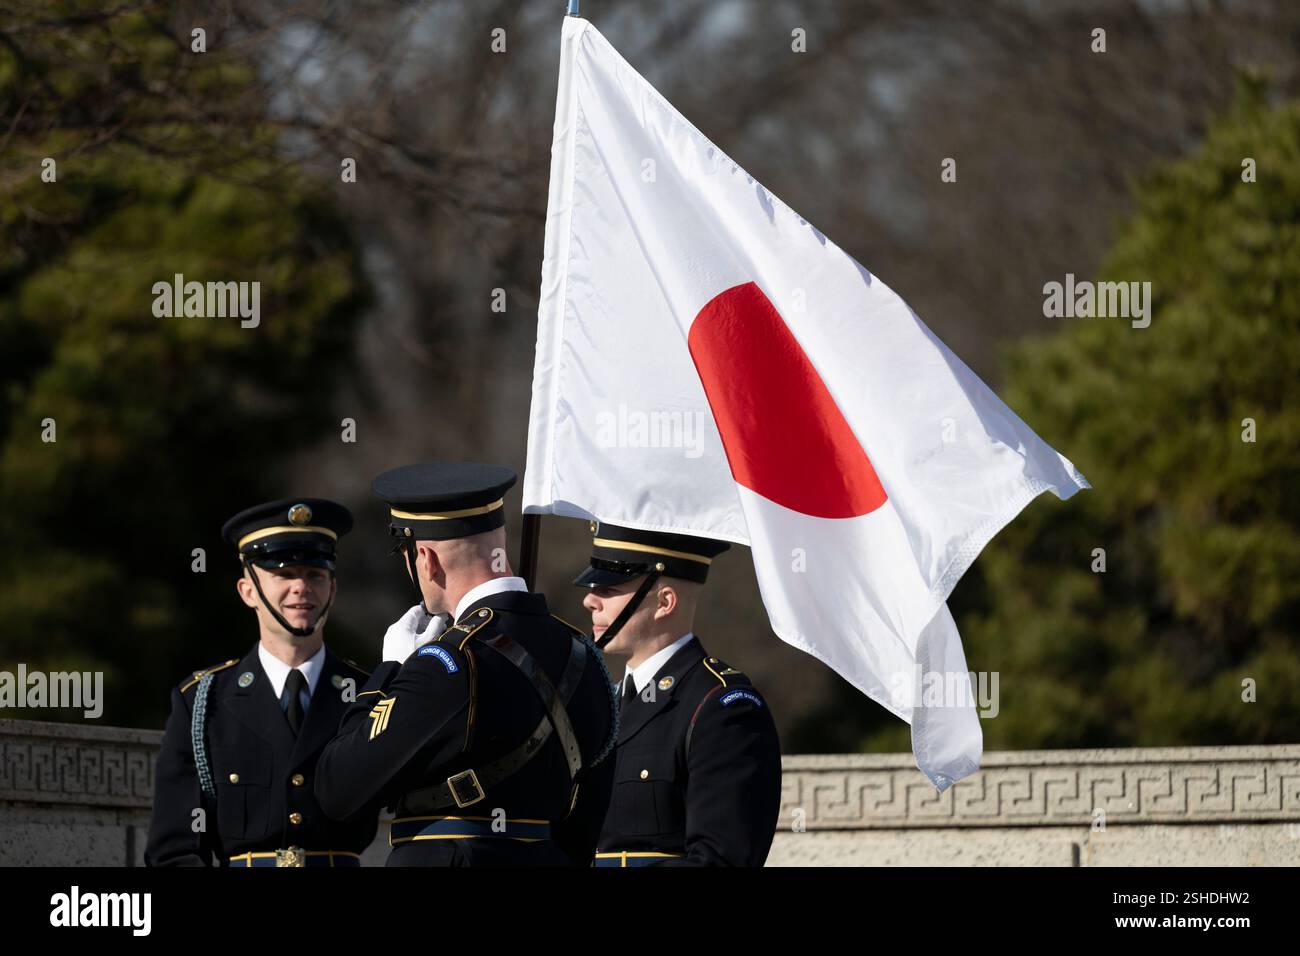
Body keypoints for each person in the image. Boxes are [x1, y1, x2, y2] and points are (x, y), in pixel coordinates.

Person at [314, 461, 617, 866]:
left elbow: (338, 786)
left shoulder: (447, 661)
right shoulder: (584, 654)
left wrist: (393, 670)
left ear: (426, 559)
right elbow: (586, 817)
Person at [146, 498, 377, 866]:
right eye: (284, 575)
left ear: (332, 589)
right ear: (248, 591)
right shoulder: (202, 702)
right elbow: (173, 851)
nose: (301, 587)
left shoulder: (370, 694)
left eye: (315, 575)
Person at [574, 521, 782, 866]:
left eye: (609, 589)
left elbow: (722, 860)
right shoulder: (604, 704)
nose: (589, 600)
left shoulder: (725, 708)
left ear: (664, 602)